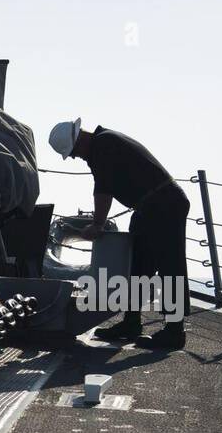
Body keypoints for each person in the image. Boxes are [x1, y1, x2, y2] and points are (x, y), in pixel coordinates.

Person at [49, 118, 190, 350]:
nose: (76, 157)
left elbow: (103, 190)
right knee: (138, 265)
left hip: (164, 204)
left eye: (73, 152)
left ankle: (175, 332)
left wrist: (97, 225)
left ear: (78, 141)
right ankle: (131, 323)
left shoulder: (102, 147)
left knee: (170, 266)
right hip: (150, 206)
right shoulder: (105, 142)